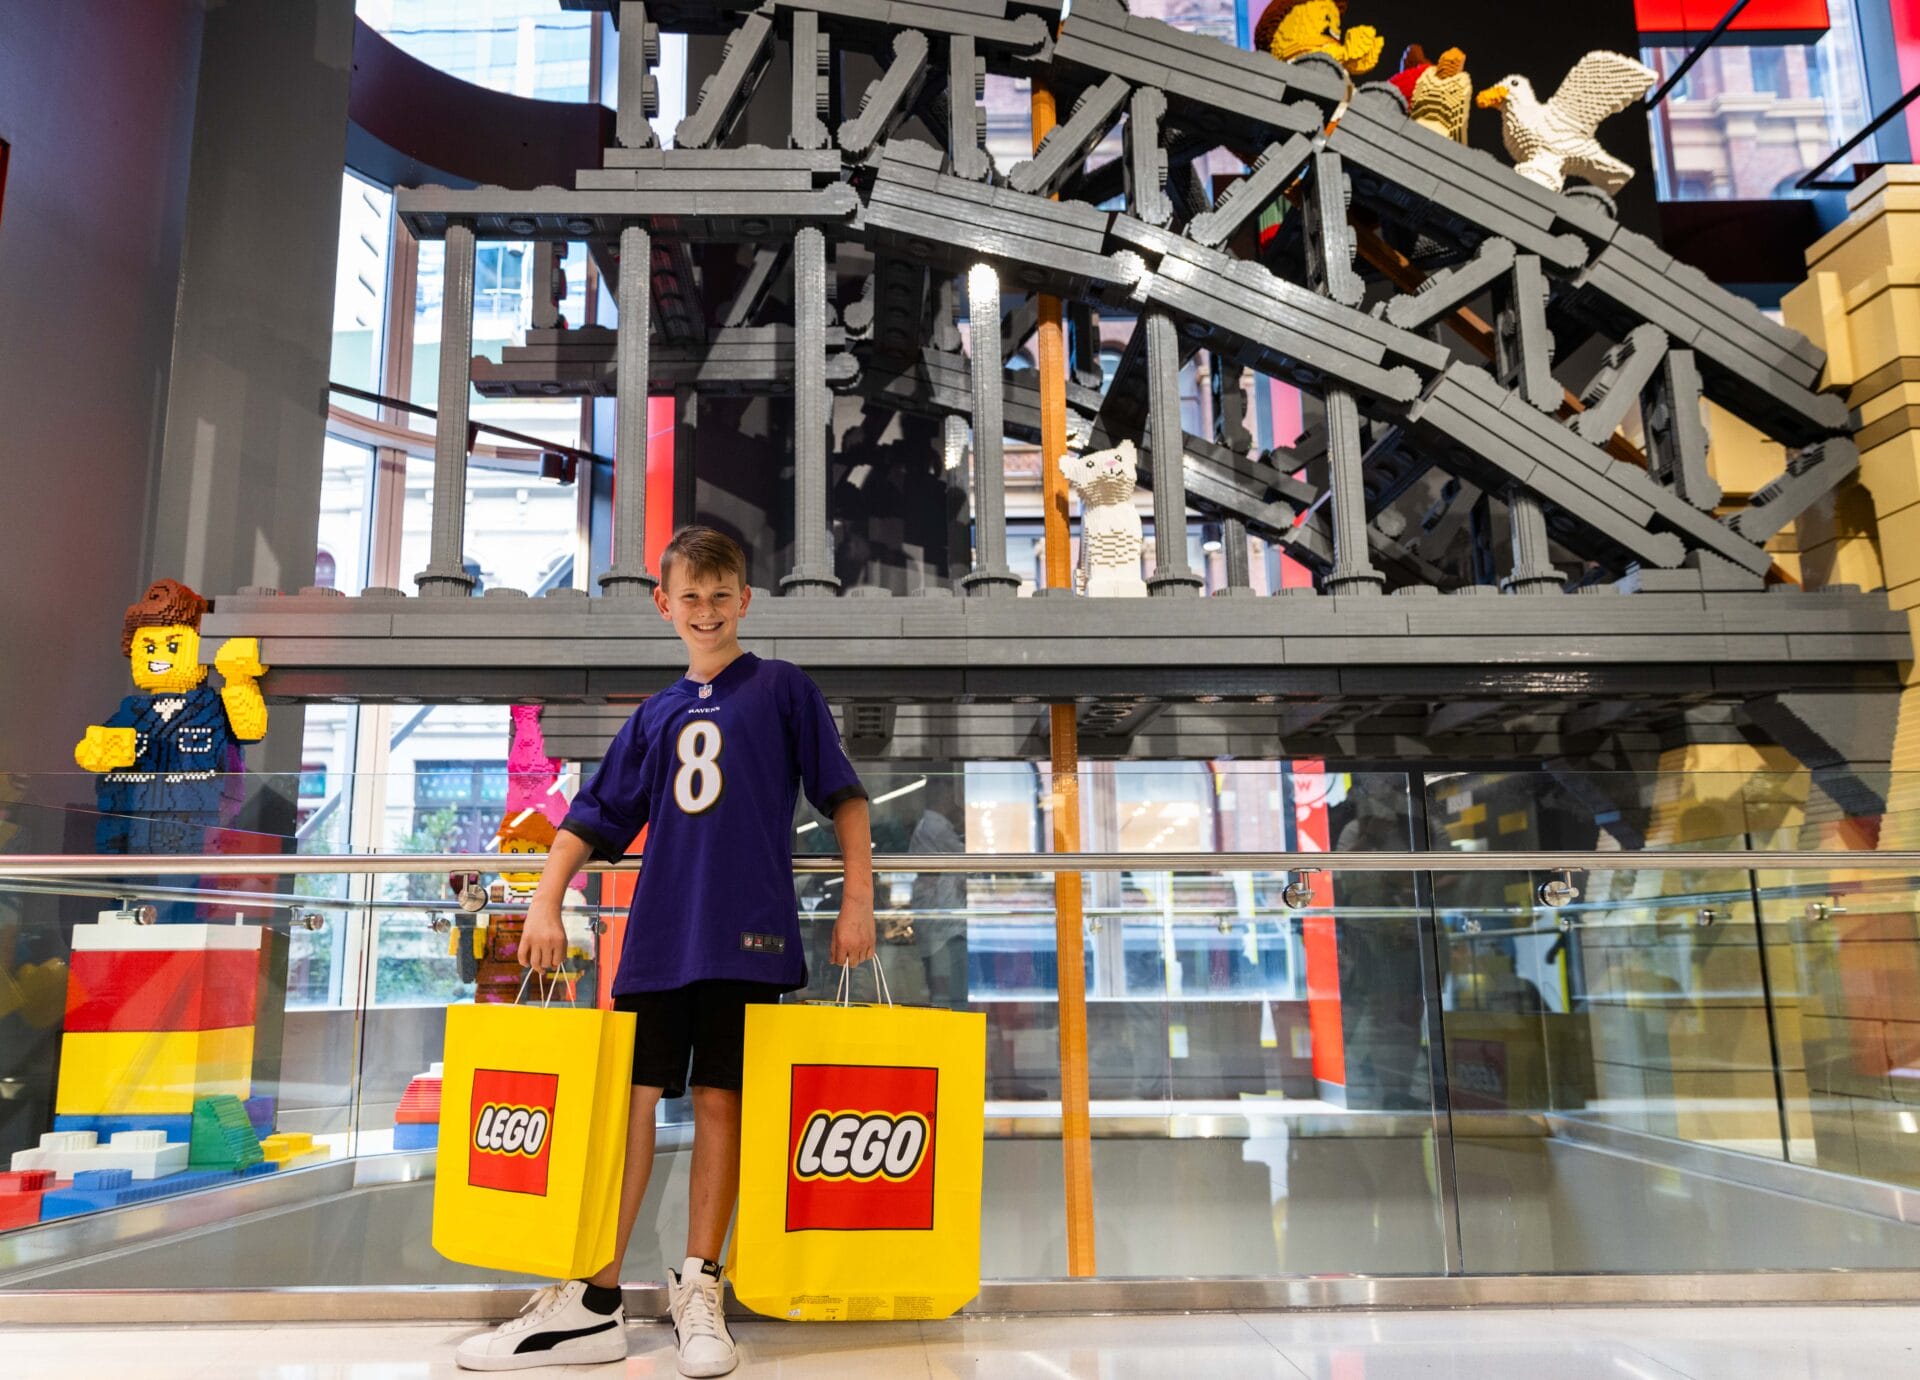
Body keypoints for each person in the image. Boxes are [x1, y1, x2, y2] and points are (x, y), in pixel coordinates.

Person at [453, 527, 875, 1376]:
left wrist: (859, 899)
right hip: (657, 940)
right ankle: (596, 1297)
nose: (708, 612)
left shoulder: (785, 689)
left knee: (723, 1102)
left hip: (750, 939)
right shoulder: (655, 714)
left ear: (745, 599)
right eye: (692, 597)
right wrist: (544, 900)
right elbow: (590, 820)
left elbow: (844, 798)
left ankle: (701, 1286)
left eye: (722, 596)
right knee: (630, 1106)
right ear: (665, 604)